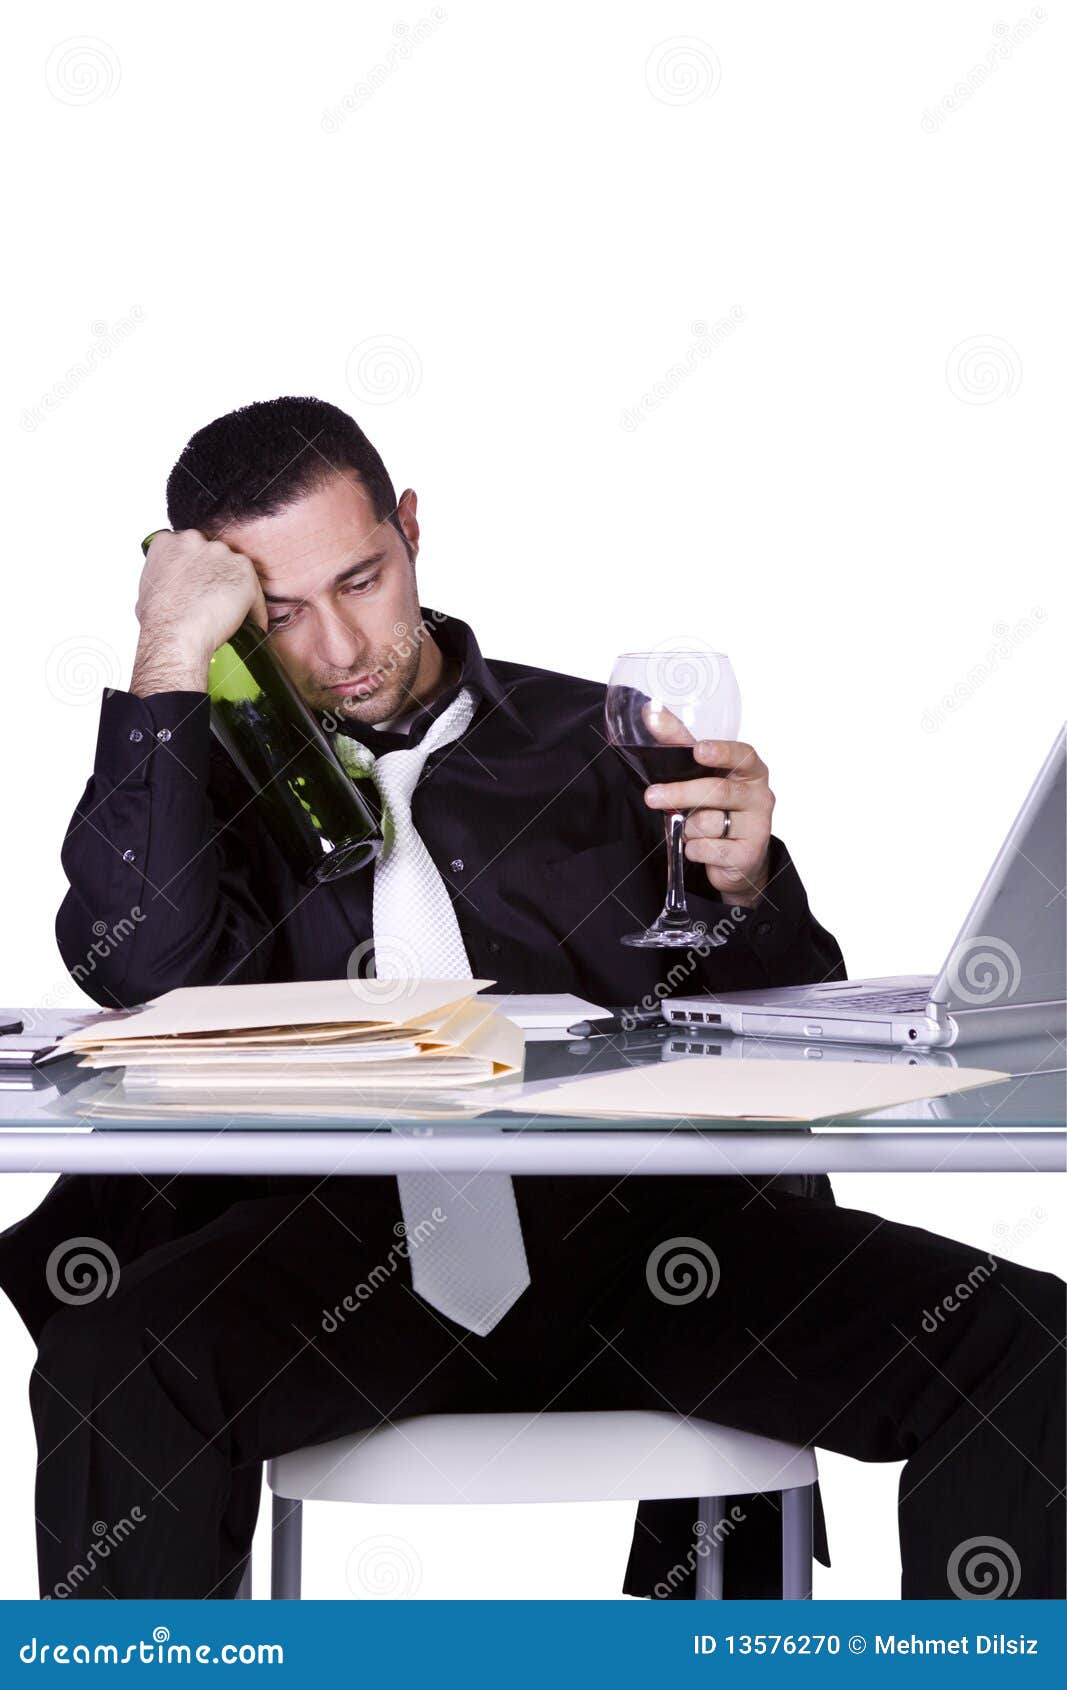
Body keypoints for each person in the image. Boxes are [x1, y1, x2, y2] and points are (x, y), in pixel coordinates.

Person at [0, 397, 1061, 1602]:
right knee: (112, 1356)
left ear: (409, 529)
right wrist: (170, 655)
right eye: (280, 614)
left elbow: (786, 1025)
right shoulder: (196, 784)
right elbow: (133, 966)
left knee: (1031, 1349)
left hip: (651, 1256)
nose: (342, 647)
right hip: (332, 1267)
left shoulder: (601, 743)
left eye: (361, 578)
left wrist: (747, 881)